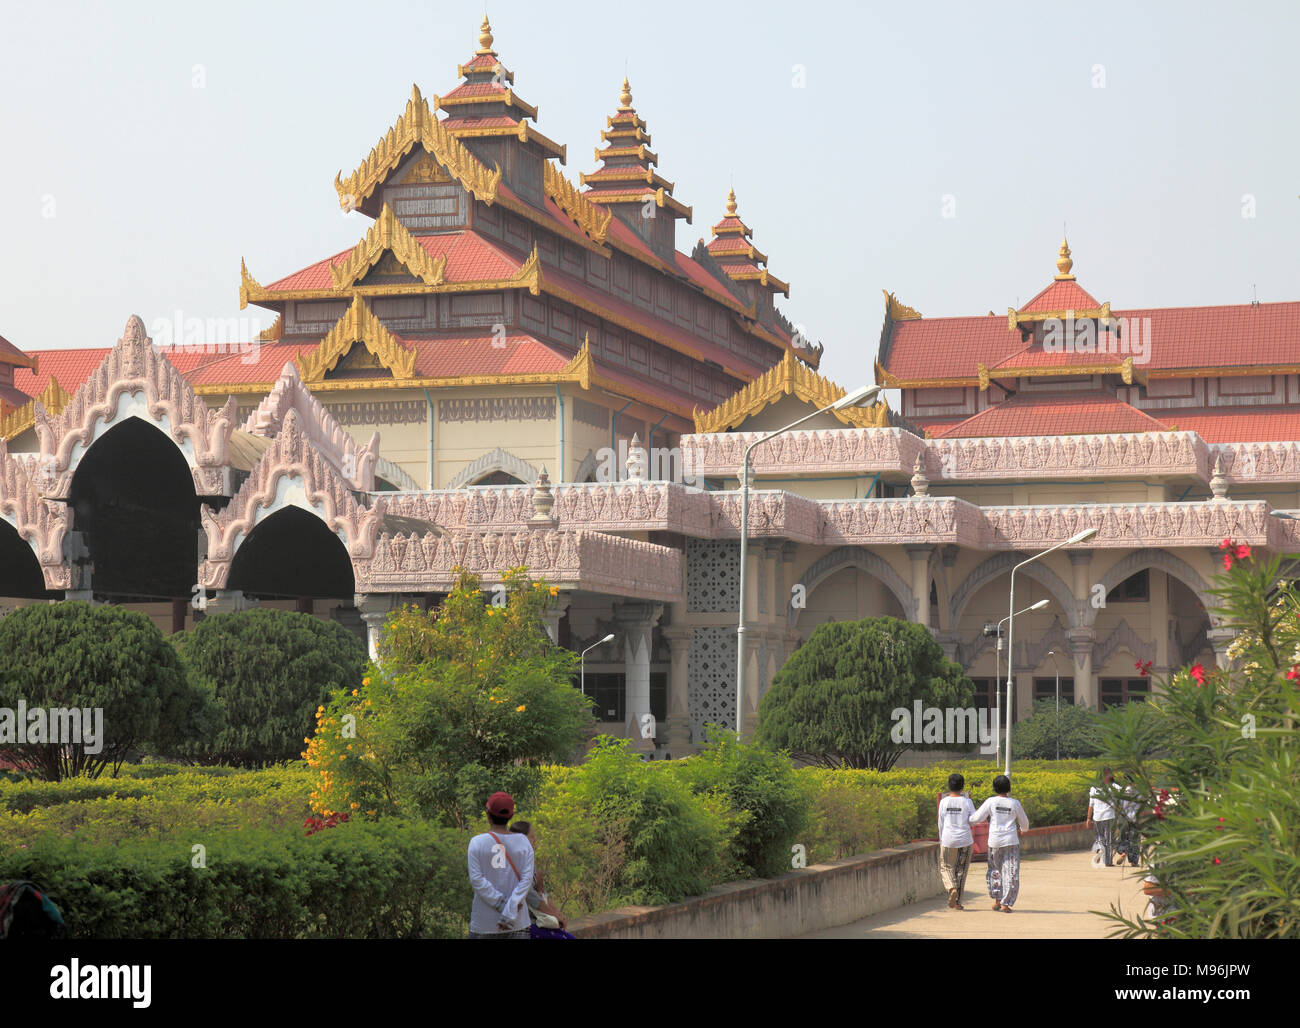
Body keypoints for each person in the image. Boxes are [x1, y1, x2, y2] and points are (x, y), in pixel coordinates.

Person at [466, 792, 535, 939]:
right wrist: (510, 909)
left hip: (484, 924)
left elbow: (477, 880)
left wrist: (501, 905)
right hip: (517, 923)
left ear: (488, 815)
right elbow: (526, 881)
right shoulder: (523, 841)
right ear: (511, 815)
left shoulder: (477, 842)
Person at [970, 774, 1029, 912]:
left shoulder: (991, 802)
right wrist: (1023, 829)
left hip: (994, 841)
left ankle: (997, 900)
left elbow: (977, 818)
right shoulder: (1015, 803)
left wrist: (965, 819)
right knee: (1011, 871)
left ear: (994, 788)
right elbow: (1024, 822)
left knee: (995, 870)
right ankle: (1005, 903)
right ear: (1008, 788)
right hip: (1011, 841)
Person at [509, 820, 573, 938]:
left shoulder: (528, 863)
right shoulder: (514, 865)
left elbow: (541, 893)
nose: (535, 841)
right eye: (532, 837)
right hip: (522, 926)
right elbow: (531, 896)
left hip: (536, 922)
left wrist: (557, 913)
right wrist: (554, 914)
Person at [936, 772, 976, 910]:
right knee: (961, 870)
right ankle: (957, 902)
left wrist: (941, 838)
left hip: (948, 839)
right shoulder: (967, 802)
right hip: (965, 839)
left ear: (949, 785)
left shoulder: (944, 802)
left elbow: (940, 822)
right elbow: (973, 820)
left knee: (946, 866)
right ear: (962, 786)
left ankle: (951, 887)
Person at [1086, 768, 1118, 867]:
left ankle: (1100, 849)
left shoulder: (1093, 788)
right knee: (1109, 839)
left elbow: (1091, 805)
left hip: (1097, 817)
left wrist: (1088, 818)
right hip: (1109, 816)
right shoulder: (1113, 787)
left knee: (1099, 838)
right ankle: (1107, 862)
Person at [1115, 776, 1142, 867]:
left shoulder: (1121, 792)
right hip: (1135, 818)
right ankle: (1133, 861)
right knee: (1134, 839)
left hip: (1123, 818)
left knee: (1123, 837)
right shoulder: (1138, 792)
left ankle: (1123, 852)